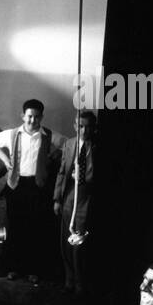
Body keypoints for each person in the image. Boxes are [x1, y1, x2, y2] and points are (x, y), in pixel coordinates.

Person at [0, 99, 59, 284]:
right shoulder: (12, 134)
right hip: (16, 186)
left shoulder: (49, 135)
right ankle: (13, 268)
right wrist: (5, 160)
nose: (32, 120)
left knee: (36, 229)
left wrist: (52, 158)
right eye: (29, 116)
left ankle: (33, 270)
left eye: (36, 117)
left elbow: (66, 146)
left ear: (41, 117)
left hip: (38, 186)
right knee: (16, 227)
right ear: (22, 116)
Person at [53, 110, 97, 294]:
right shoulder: (69, 144)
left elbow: (97, 177)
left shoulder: (96, 147)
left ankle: (80, 280)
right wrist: (57, 199)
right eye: (80, 126)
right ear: (74, 126)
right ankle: (69, 278)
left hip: (86, 198)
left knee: (79, 242)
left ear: (93, 128)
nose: (84, 131)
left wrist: (83, 177)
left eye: (87, 127)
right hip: (69, 196)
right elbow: (62, 172)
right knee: (65, 240)